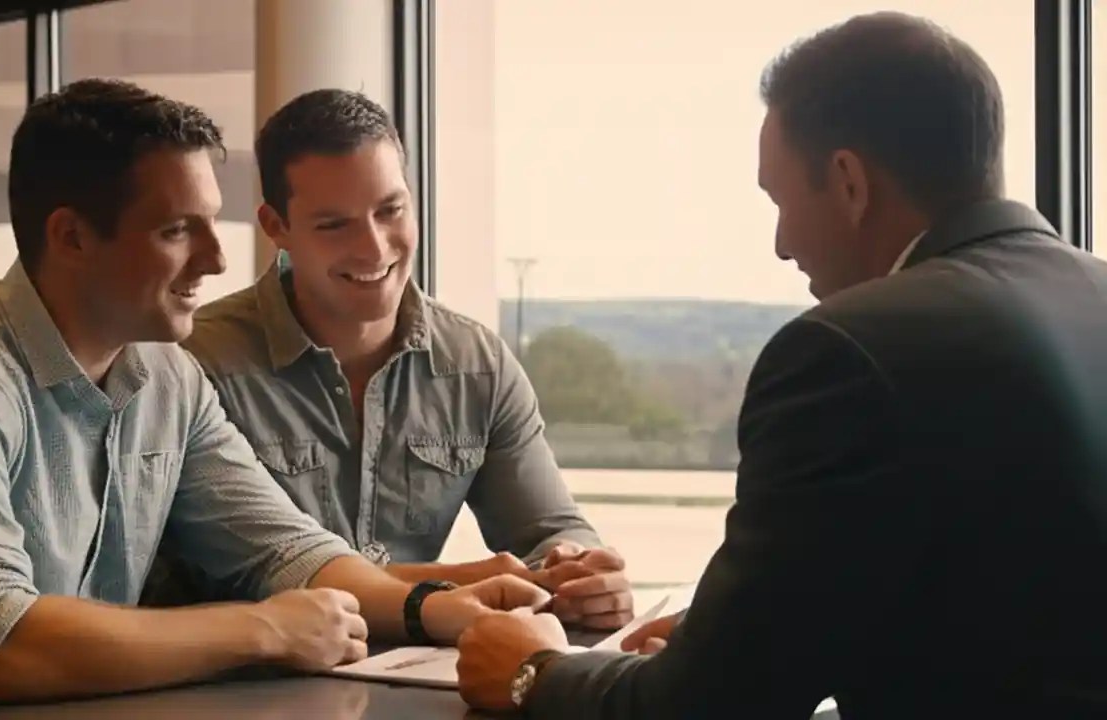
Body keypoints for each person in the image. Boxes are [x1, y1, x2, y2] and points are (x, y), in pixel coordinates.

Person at [455, 12, 1107, 718]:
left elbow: (706, 709)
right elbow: (1007, 612)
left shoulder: (848, 352)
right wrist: (752, 635)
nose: (781, 244)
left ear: (850, 182)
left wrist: (531, 671)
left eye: (780, 199)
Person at [0, 78, 548, 706]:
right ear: (72, 237)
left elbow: (286, 551)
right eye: (179, 230)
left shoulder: (166, 376)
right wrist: (265, 629)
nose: (219, 257)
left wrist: (440, 609)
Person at [167, 88, 632, 630]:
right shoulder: (195, 363)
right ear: (276, 227)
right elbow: (246, 577)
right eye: (334, 225)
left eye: (391, 210)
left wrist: (581, 572)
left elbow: (548, 531)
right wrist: (452, 584)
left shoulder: (476, 363)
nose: (373, 247)